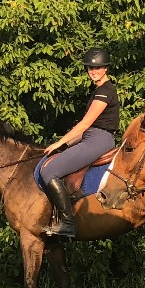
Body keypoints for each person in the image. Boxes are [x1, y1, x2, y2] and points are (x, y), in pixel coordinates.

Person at [39, 48, 120, 240]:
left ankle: (67, 223)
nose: (93, 71)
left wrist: (60, 141)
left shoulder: (105, 91)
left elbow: (85, 124)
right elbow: (86, 130)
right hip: (92, 137)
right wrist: (63, 146)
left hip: (99, 140)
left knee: (48, 171)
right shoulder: (98, 90)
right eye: (90, 68)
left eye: (98, 67)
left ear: (106, 68)